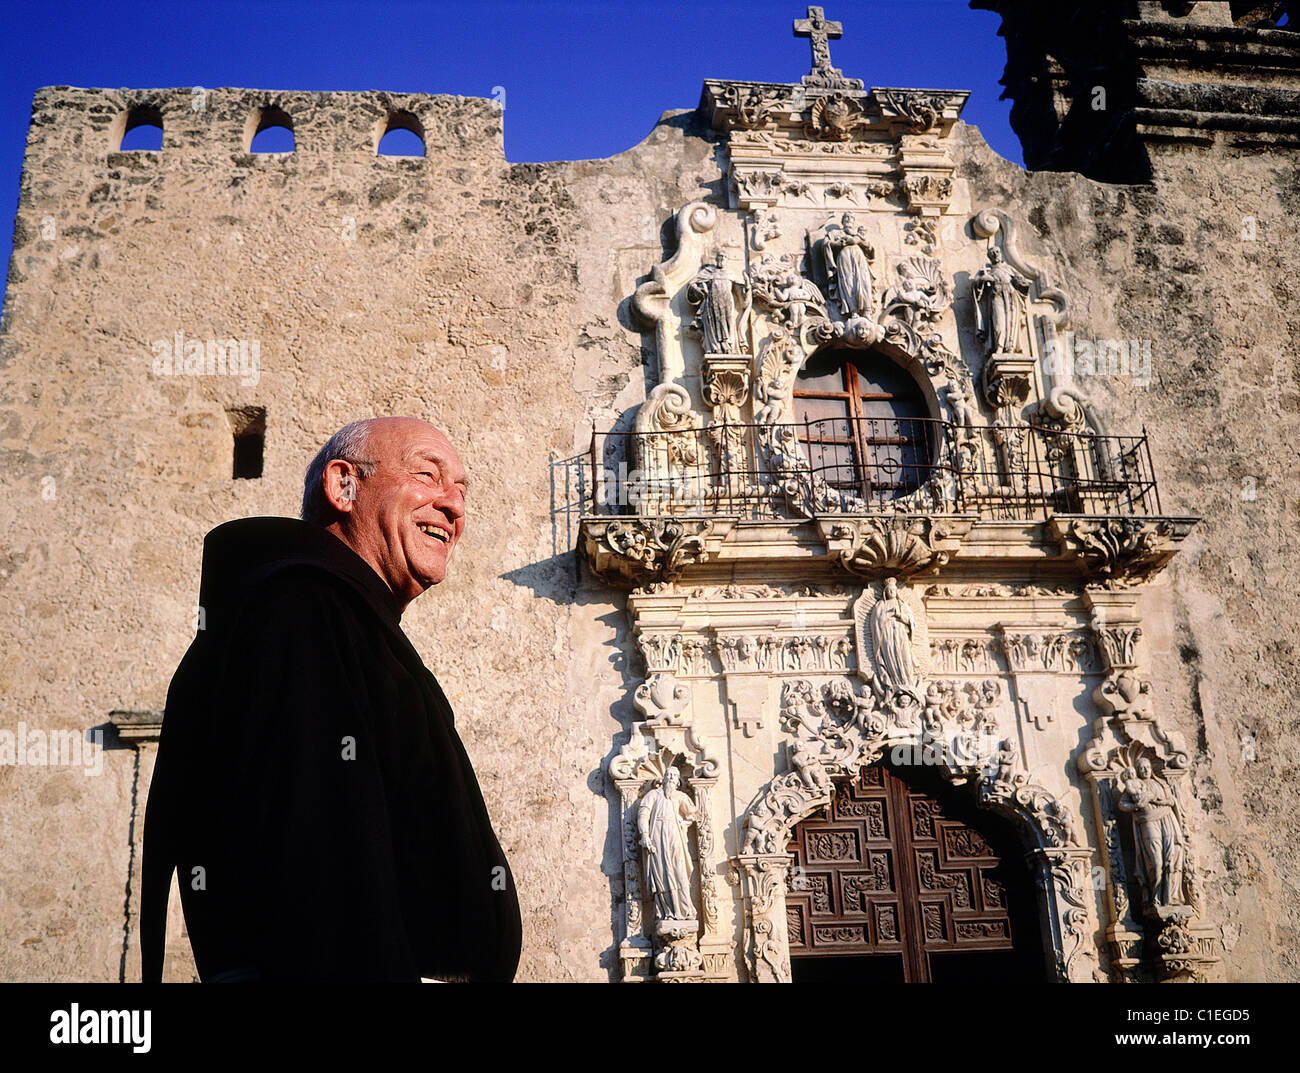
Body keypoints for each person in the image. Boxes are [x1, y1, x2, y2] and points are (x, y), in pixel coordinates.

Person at [140, 417, 522, 982]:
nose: (454, 508)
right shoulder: (300, 611)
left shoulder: (341, 622)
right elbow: (318, 861)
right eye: (427, 476)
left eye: (462, 493)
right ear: (343, 486)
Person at [636, 768, 697, 923]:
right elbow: (643, 814)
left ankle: (685, 909)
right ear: (663, 778)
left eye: (675, 775)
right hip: (657, 834)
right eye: (669, 774)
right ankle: (667, 911)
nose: (671, 777)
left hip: (675, 835)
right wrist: (644, 834)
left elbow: (694, 813)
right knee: (661, 872)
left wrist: (685, 822)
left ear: (678, 781)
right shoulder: (653, 795)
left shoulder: (680, 796)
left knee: (679, 870)